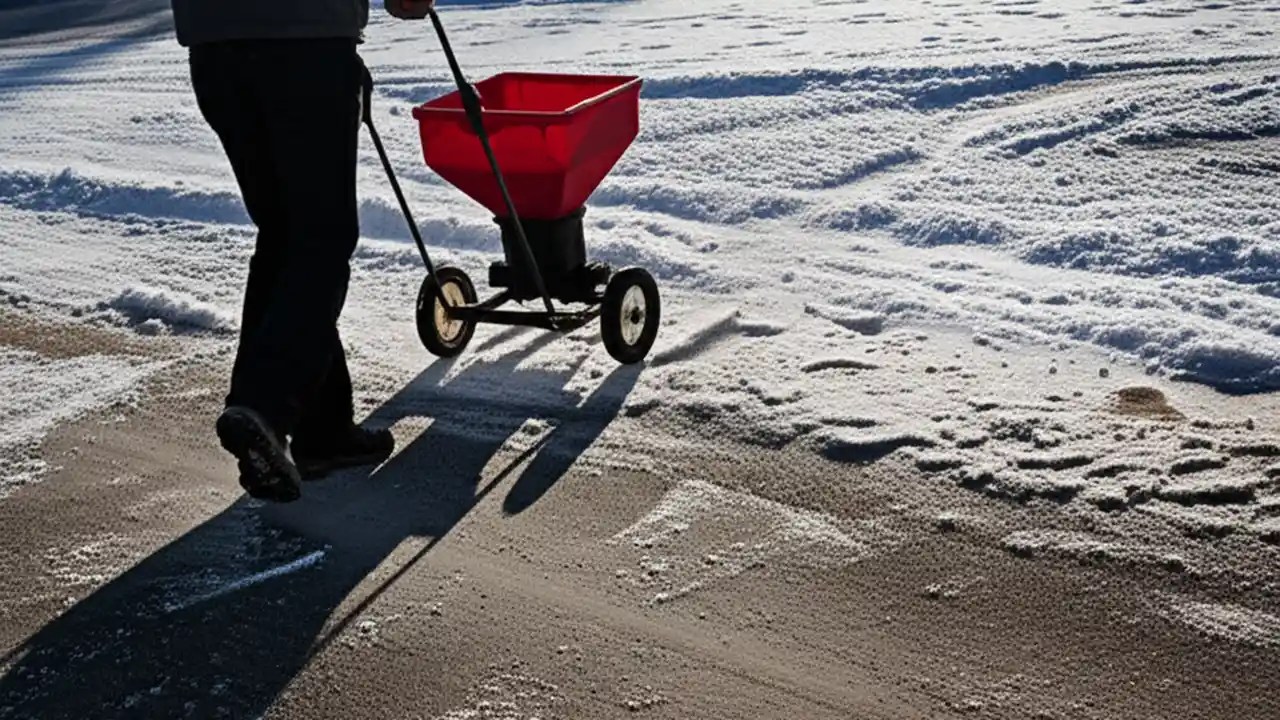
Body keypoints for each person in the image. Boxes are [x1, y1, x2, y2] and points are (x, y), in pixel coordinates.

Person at [171, 0, 437, 502]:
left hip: (213, 47)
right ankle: (265, 408)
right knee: (320, 237)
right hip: (302, 40)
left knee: (287, 232)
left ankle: (323, 431)